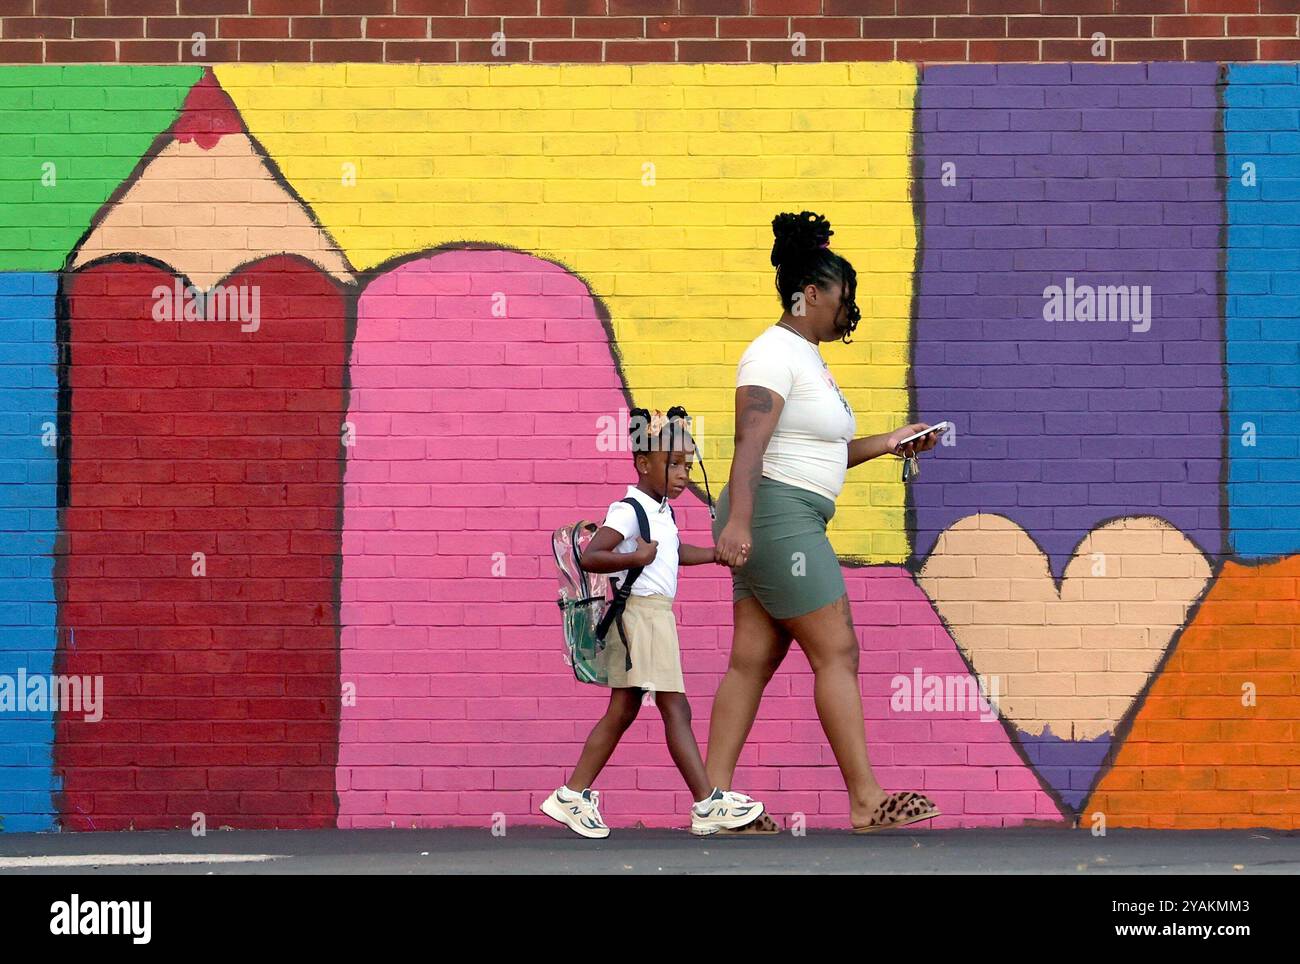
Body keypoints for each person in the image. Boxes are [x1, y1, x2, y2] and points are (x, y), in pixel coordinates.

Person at [707, 210, 944, 833]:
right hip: (775, 511)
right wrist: (741, 525)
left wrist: (893, 441)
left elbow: (821, 451)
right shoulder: (772, 353)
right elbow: (750, 444)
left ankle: (715, 803)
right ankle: (865, 800)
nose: (849, 310)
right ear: (809, 293)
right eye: (844, 298)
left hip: (777, 508)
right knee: (837, 649)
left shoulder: (806, 358)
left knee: (751, 659)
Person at [541, 408, 766, 838]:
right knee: (671, 707)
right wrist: (634, 558)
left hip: (656, 618)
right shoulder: (629, 510)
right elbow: (592, 556)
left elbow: (673, 555)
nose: (683, 474)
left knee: (627, 709)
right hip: (638, 618)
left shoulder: (661, 510)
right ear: (645, 464)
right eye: (673, 464)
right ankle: (705, 803)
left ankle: (573, 794)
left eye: (686, 463)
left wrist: (717, 555)